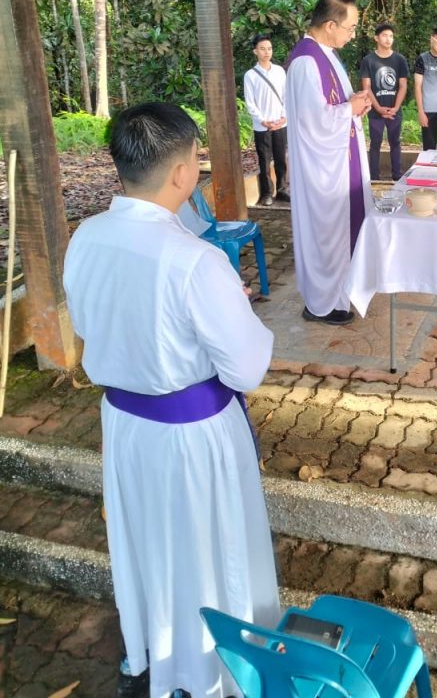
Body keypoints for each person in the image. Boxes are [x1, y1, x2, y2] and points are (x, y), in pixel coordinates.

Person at [63, 102, 280, 698]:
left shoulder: (84, 238)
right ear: (184, 171)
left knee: (149, 543)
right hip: (193, 435)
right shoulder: (196, 261)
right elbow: (248, 366)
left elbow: (89, 322)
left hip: (128, 427)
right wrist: (230, 305)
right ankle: (215, 672)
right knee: (209, 552)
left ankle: (157, 649)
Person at [286, 0, 372, 326]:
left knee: (341, 233)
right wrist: (348, 109)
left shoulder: (328, 55)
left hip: (339, 159)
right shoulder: (307, 61)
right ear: (331, 25)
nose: (352, 35)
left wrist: (355, 102)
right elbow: (313, 122)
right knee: (328, 235)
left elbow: (334, 105)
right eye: (350, 28)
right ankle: (323, 303)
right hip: (322, 169)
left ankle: (342, 291)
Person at [243, 33, 290, 206]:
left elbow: (286, 96)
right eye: (262, 49)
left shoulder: (279, 71)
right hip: (262, 127)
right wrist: (262, 120)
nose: (266, 52)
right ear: (255, 51)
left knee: (280, 159)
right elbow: (250, 102)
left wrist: (283, 117)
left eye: (269, 48)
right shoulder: (251, 75)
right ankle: (267, 193)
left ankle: (283, 190)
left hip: (281, 123)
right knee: (264, 161)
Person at [359, 22, 409, 180]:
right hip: (375, 111)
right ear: (376, 38)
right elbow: (367, 87)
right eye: (384, 36)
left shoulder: (400, 59)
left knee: (395, 142)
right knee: (375, 144)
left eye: (391, 36)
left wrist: (396, 107)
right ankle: (374, 178)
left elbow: (402, 85)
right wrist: (379, 108)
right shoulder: (368, 60)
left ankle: (397, 177)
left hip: (395, 111)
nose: (388, 39)